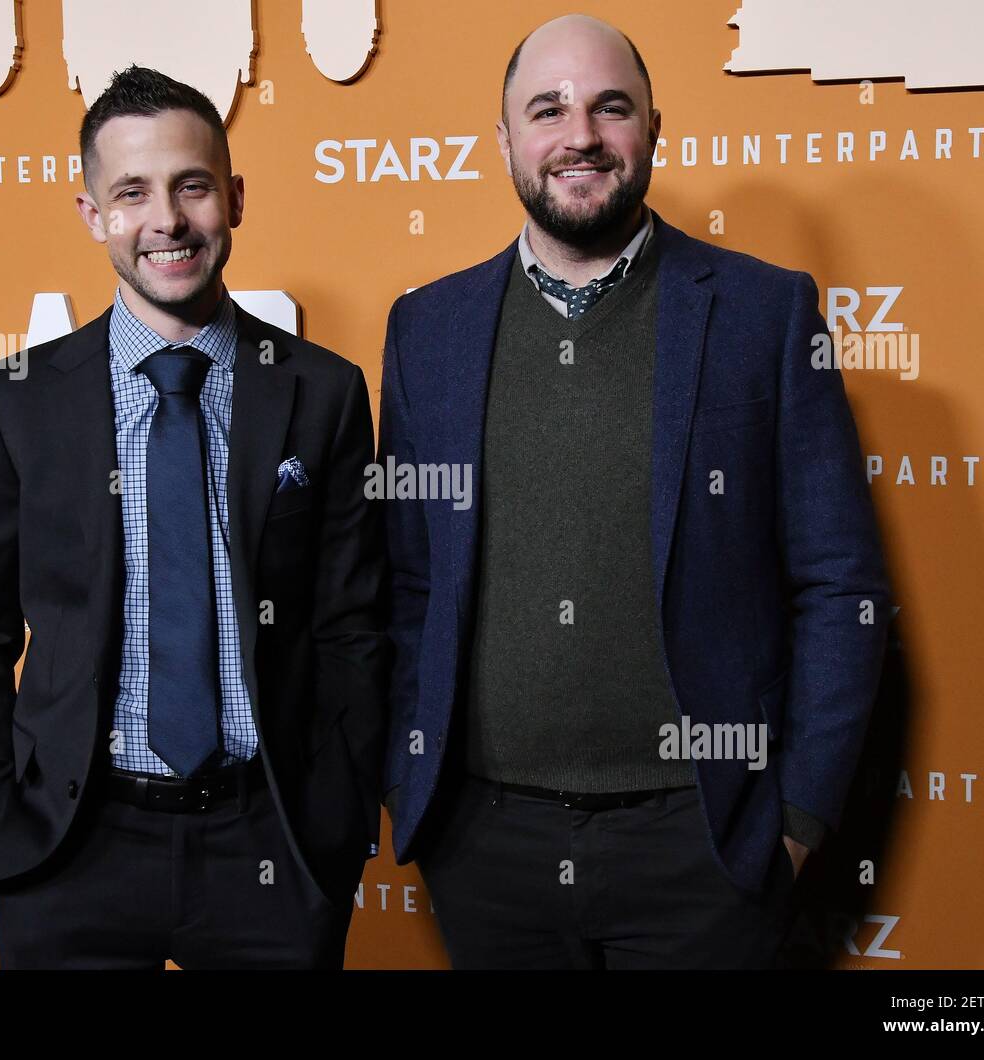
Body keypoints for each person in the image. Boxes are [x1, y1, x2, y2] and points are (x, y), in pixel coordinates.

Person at [378, 14, 890, 969]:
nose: (580, 134)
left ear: (653, 128)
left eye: (611, 107)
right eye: (548, 109)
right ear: (503, 141)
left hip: (705, 845)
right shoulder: (426, 330)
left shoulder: (763, 313)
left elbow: (840, 584)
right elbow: (408, 586)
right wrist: (415, 795)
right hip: (487, 850)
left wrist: (798, 818)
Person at [0, 65, 387, 969]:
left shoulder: (325, 393)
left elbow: (352, 628)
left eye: (192, 186)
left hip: (269, 845)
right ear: (92, 214)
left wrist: (333, 824)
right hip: (70, 846)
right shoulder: (12, 402)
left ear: (235, 199)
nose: (166, 221)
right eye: (131, 192)